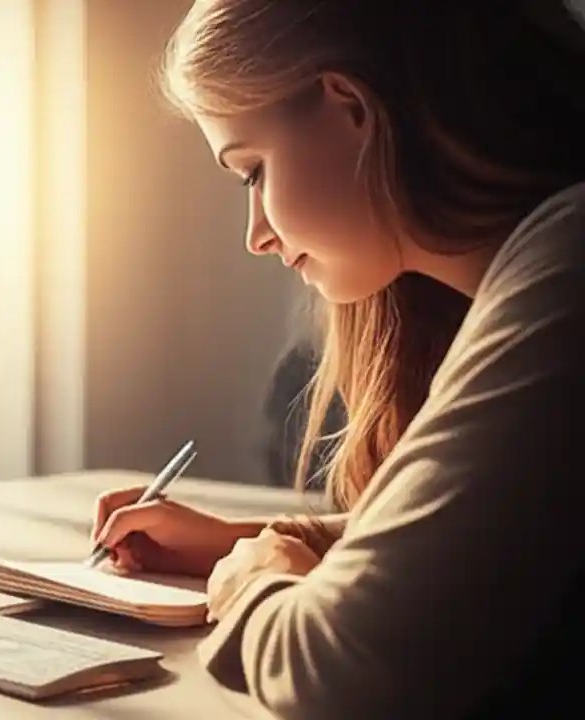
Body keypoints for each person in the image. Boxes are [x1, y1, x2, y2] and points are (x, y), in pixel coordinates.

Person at [89, 1, 585, 718]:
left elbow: (338, 670)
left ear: (350, 105)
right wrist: (269, 541)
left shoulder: (567, 274)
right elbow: (502, 537)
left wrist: (252, 587)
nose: (254, 235)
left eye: (251, 172)